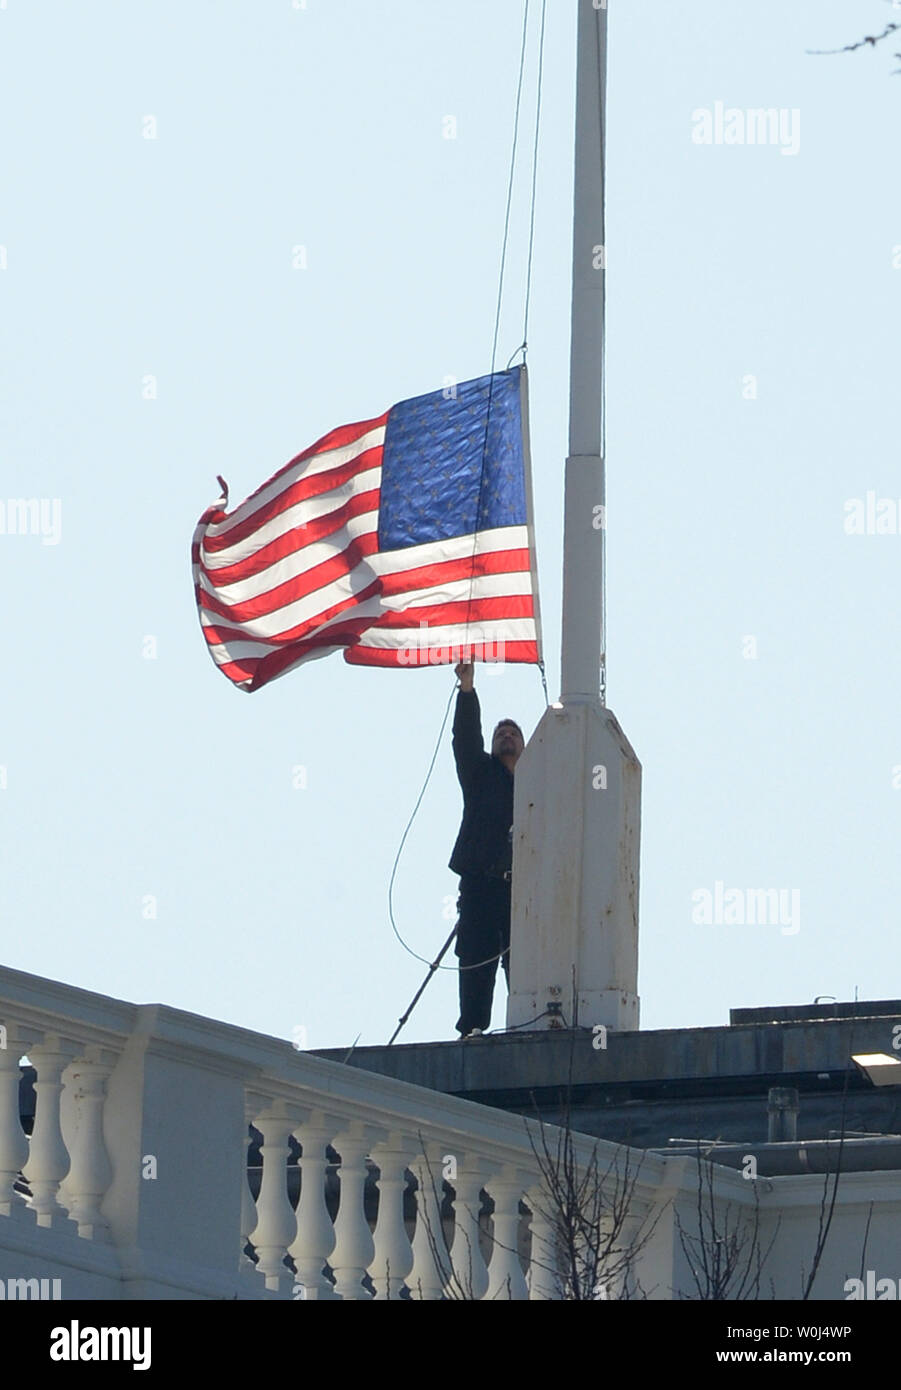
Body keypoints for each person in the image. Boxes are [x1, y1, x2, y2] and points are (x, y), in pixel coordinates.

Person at [449, 659, 525, 1038]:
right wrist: (468, 688)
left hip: (522, 891)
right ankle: (473, 1031)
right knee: (476, 960)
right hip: (480, 886)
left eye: (513, 733)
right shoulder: (480, 776)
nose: (506, 737)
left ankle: (526, 1029)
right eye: (501, 733)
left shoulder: (538, 786)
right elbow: (465, 740)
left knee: (525, 962)